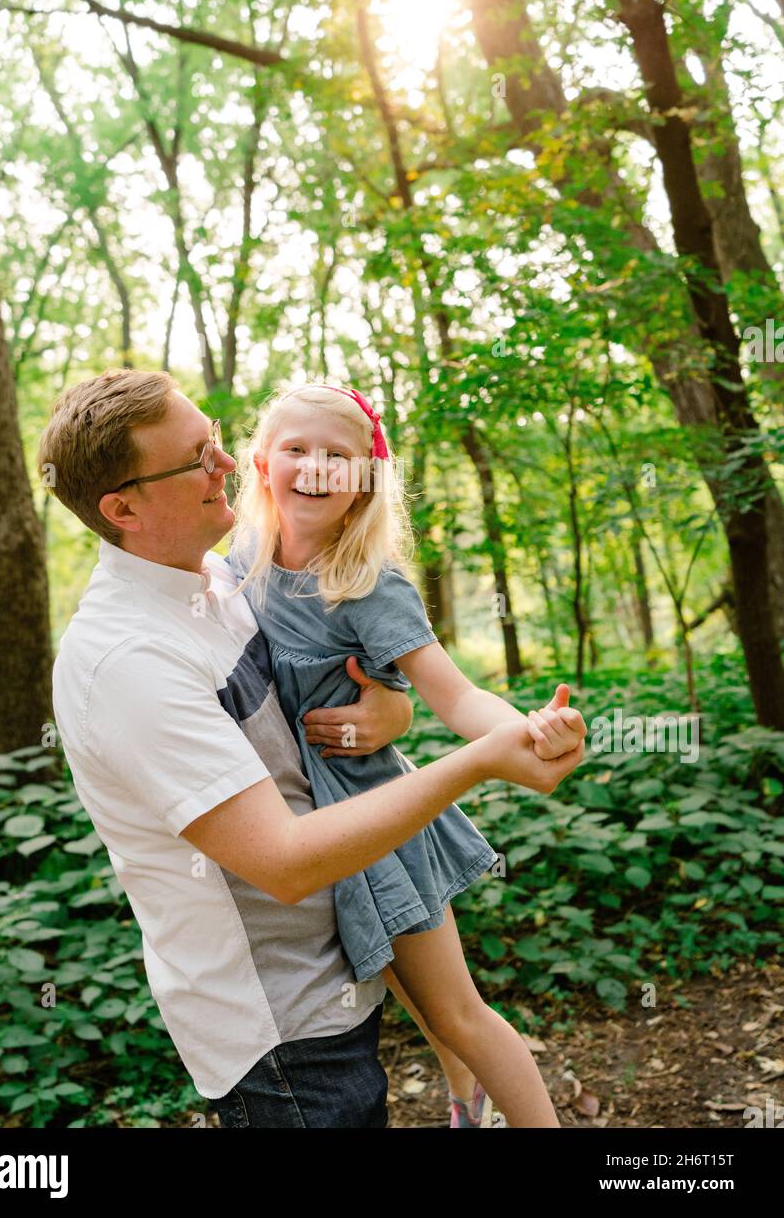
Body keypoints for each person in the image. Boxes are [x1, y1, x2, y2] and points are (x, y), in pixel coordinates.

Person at [39, 368, 584, 1129]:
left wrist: (439, 720)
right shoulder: (161, 630)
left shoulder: (245, 578)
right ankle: (474, 1101)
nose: (223, 467)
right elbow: (285, 857)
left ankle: (494, 1109)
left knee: (450, 1010)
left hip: (355, 885)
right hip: (281, 1002)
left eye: (219, 446)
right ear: (122, 506)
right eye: (199, 458)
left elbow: (427, 691)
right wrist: (475, 758)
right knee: (438, 1009)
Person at [227, 382, 587, 1127]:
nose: (317, 467)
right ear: (262, 463)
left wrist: (525, 730)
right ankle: (466, 1099)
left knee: (454, 1009)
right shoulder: (240, 559)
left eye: (339, 455)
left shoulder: (366, 583)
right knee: (406, 992)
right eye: (297, 449)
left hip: (376, 824)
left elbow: (451, 697)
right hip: (302, 827)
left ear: (364, 481)